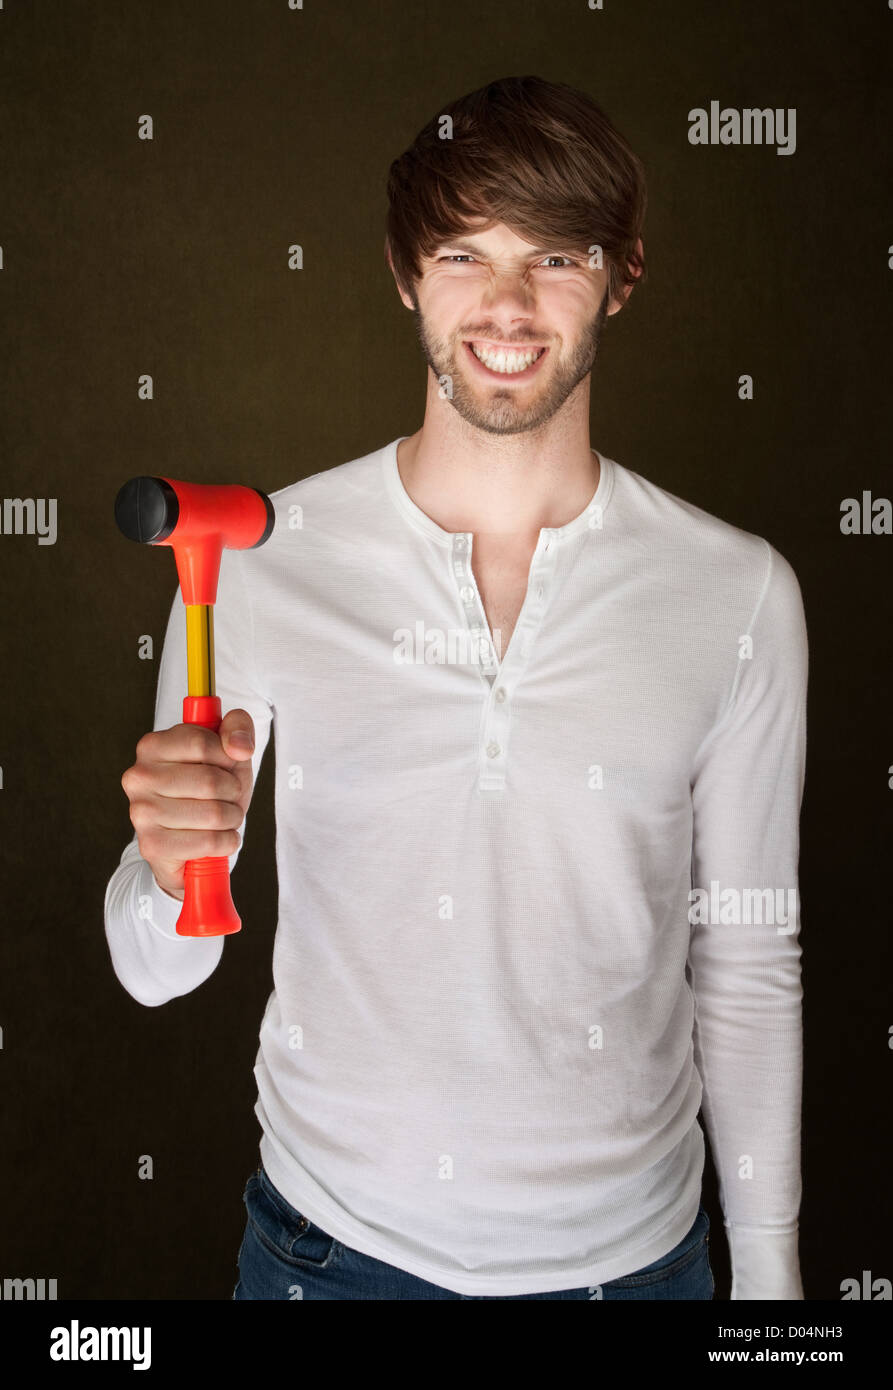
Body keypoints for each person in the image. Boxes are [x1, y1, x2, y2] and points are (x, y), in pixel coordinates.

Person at [105, 75, 807, 1300]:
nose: (505, 306)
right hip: (326, 1257)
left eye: (554, 258)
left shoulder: (736, 595)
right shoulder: (260, 565)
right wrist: (166, 870)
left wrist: (767, 1277)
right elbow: (155, 969)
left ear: (622, 275)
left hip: (636, 1271)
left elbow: (745, 960)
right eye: (462, 252)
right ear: (402, 272)